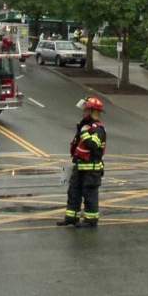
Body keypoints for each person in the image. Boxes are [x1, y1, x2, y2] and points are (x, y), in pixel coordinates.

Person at [57, 97, 107, 228]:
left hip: (92, 170)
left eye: (85, 110)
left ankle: (91, 220)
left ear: (92, 112)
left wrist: (84, 132)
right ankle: (71, 218)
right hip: (79, 166)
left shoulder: (98, 129)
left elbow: (93, 145)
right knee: (74, 191)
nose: (83, 113)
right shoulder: (86, 125)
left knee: (89, 194)